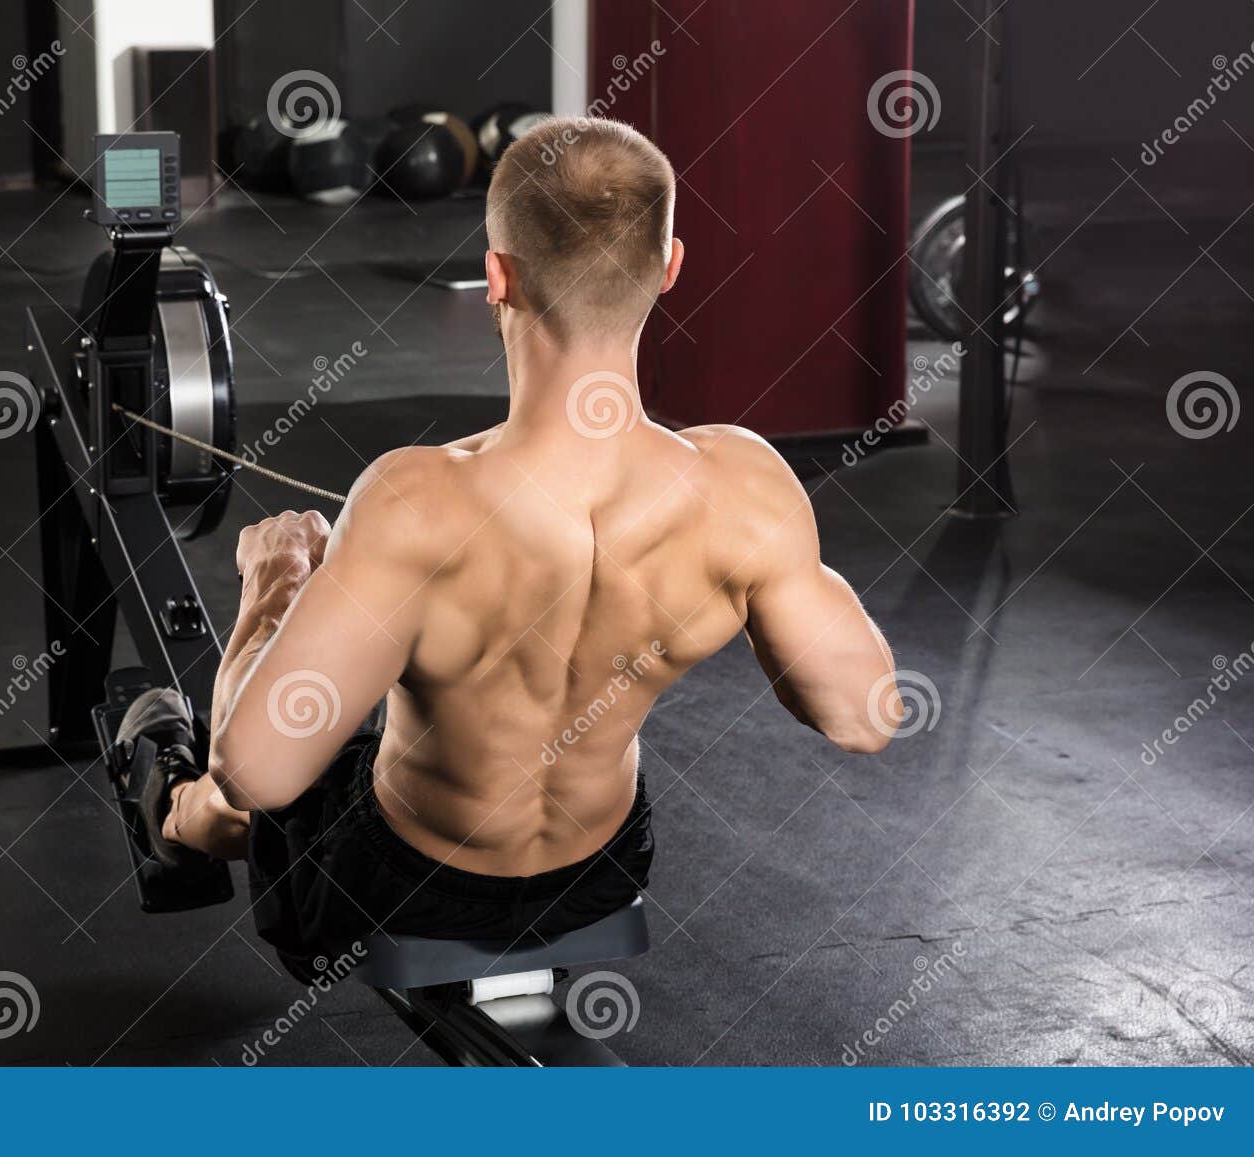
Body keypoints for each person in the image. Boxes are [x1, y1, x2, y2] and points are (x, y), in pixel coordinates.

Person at [118, 116, 900, 983]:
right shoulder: (746, 487)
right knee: (326, 767)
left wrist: (275, 585)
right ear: (670, 266)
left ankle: (172, 810)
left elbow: (258, 770)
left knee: (251, 797)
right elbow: (864, 717)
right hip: (597, 874)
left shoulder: (414, 499)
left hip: (399, 880)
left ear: (497, 277)